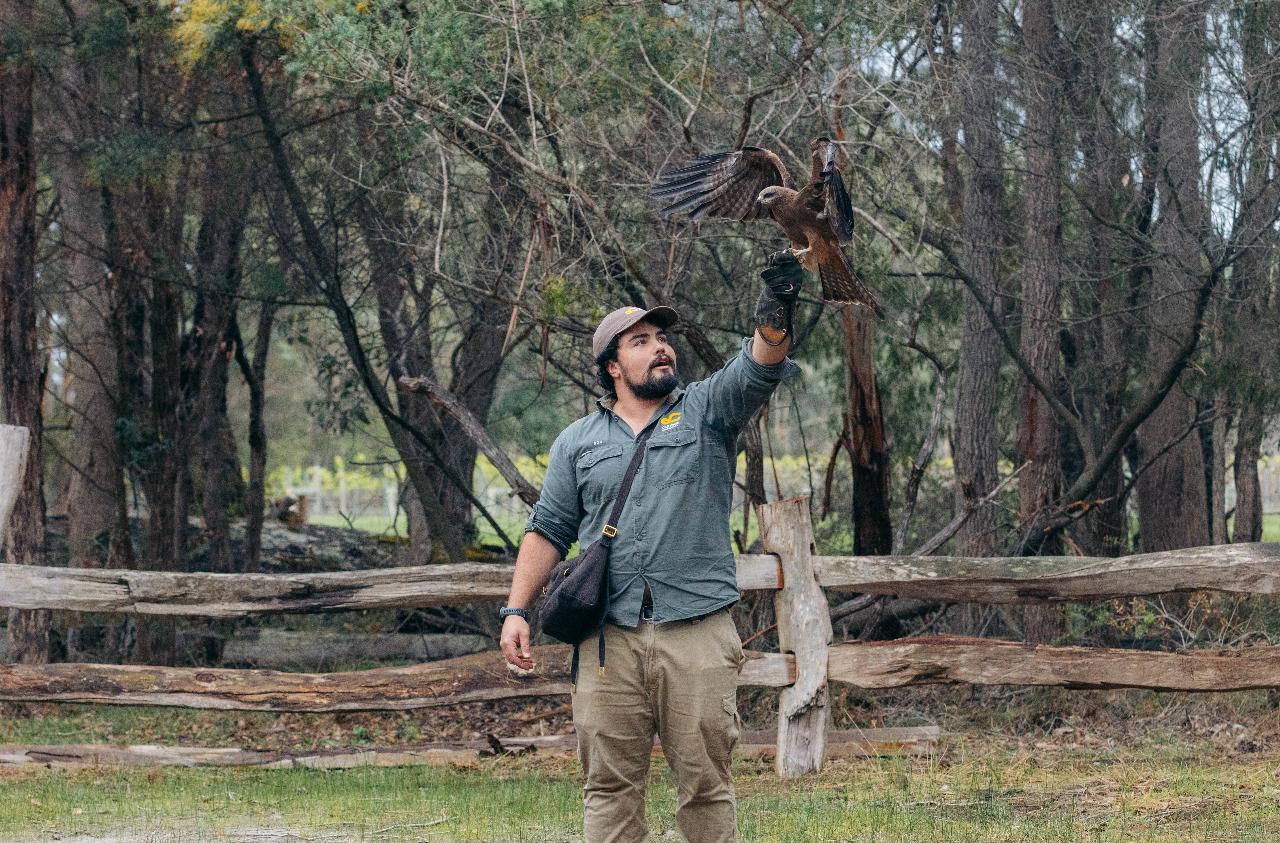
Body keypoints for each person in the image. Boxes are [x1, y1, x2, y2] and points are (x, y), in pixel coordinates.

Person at [499, 252, 806, 843]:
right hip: (607, 638)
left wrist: (778, 308)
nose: (660, 348)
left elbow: (760, 365)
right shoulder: (578, 441)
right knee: (609, 789)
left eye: (663, 338)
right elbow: (549, 528)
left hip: (696, 630)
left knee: (707, 786)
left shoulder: (706, 412)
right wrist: (516, 610)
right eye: (640, 341)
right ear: (612, 365)